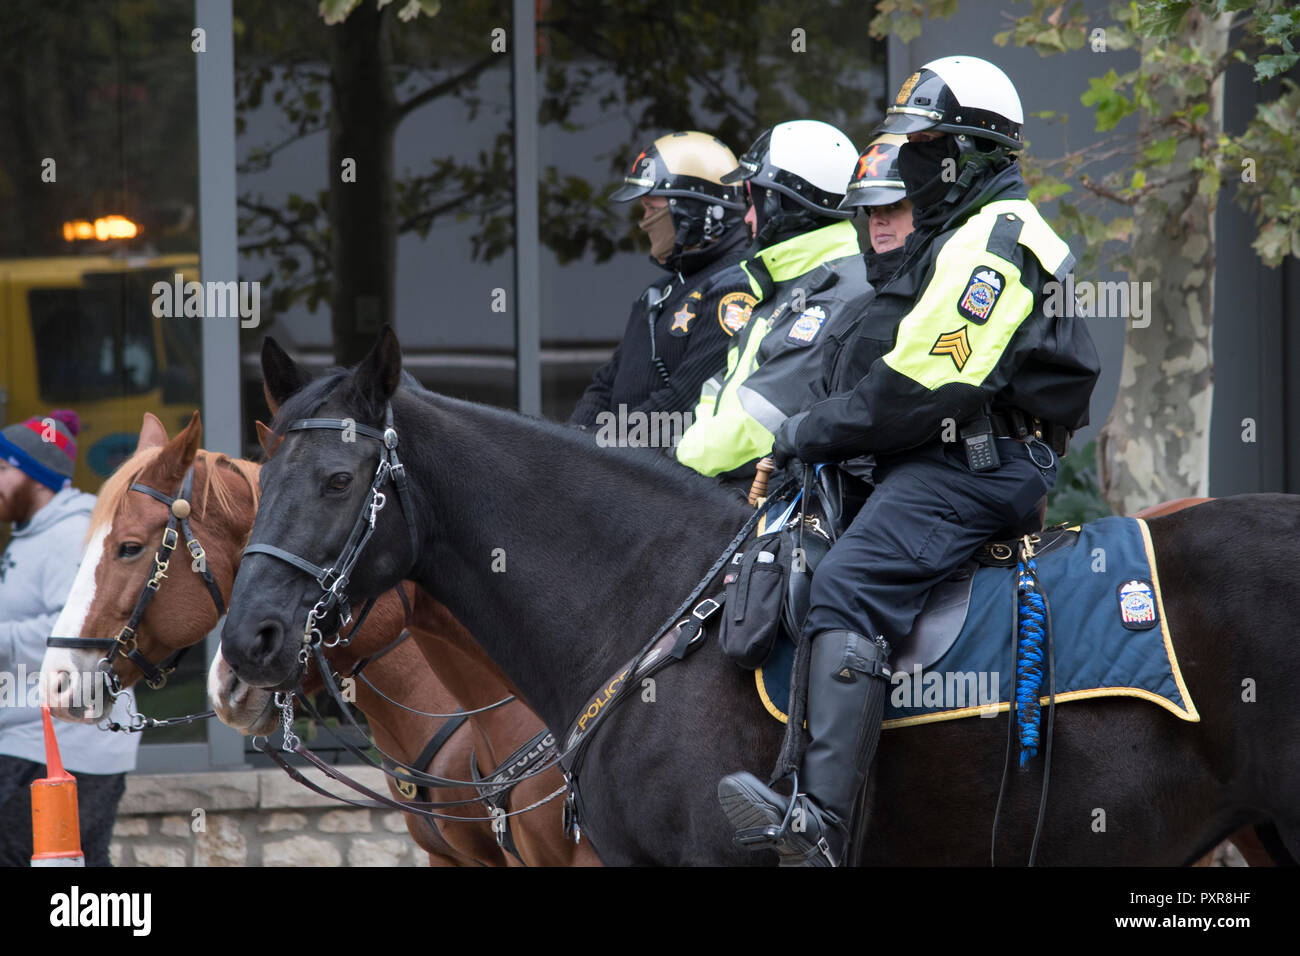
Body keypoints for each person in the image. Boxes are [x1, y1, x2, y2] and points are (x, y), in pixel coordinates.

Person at [717, 56, 1102, 866]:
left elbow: (928, 383)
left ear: (966, 156)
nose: (910, 164)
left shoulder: (996, 242)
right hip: (940, 454)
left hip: (973, 465)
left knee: (848, 585)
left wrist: (805, 433)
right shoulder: (957, 234)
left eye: (923, 148)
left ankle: (819, 824)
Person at [673, 120, 873, 490]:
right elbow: (717, 394)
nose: (748, 217)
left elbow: (757, 422)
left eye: (753, 202)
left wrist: (676, 464)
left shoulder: (839, 295)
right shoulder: (790, 286)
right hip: (730, 480)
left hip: (776, 491)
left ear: (784, 204)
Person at [0, 410, 139, 866]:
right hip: (30, 736)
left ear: (38, 477)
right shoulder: (30, 534)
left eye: (4, 468)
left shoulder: (70, 535)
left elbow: (80, 633)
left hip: (66, 744)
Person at [568, 132, 757, 435]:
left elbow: (682, 403)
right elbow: (605, 384)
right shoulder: (659, 292)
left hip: (665, 476)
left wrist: (600, 448)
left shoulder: (735, 291)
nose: (643, 223)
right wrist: (573, 440)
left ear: (695, 214)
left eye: (652, 210)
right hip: (615, 466)